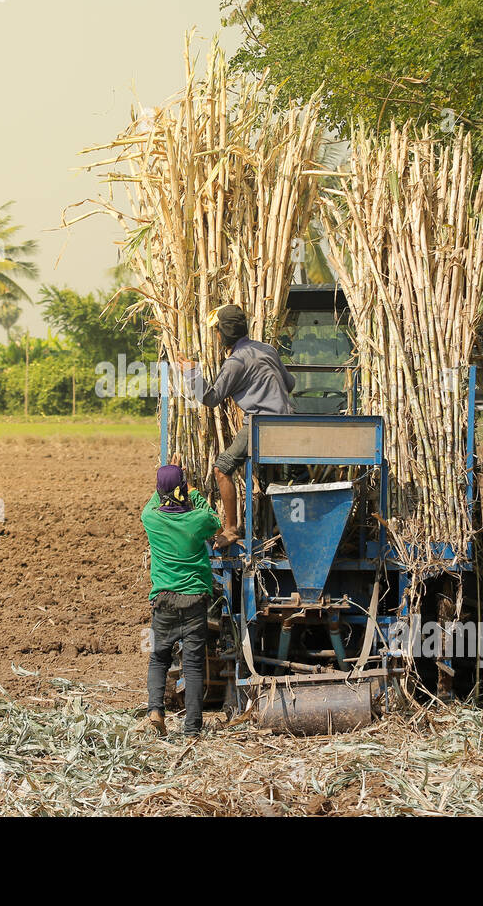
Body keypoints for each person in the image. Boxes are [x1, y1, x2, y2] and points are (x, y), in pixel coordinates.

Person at [180, 304, 295, 546]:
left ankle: (231, 529)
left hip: (262, 424)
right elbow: (290, 383)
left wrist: (192, 374)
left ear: (225, 333)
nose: (217, 336)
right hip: (289, 421)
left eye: (218, 331)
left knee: (222, 468)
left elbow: (211, 398)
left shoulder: (236, 362)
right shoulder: (267, 349)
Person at [140, 461, 220, 737]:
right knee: (194, 663)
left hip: (164, 601)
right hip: (194, 601)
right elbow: (215, 520)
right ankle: (192, 728)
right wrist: (193, 491)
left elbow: (155, 498)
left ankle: (155, 712)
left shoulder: (151, 518)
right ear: (184, 489)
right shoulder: (197, 520)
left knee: (159, 658)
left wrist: (169, 485)